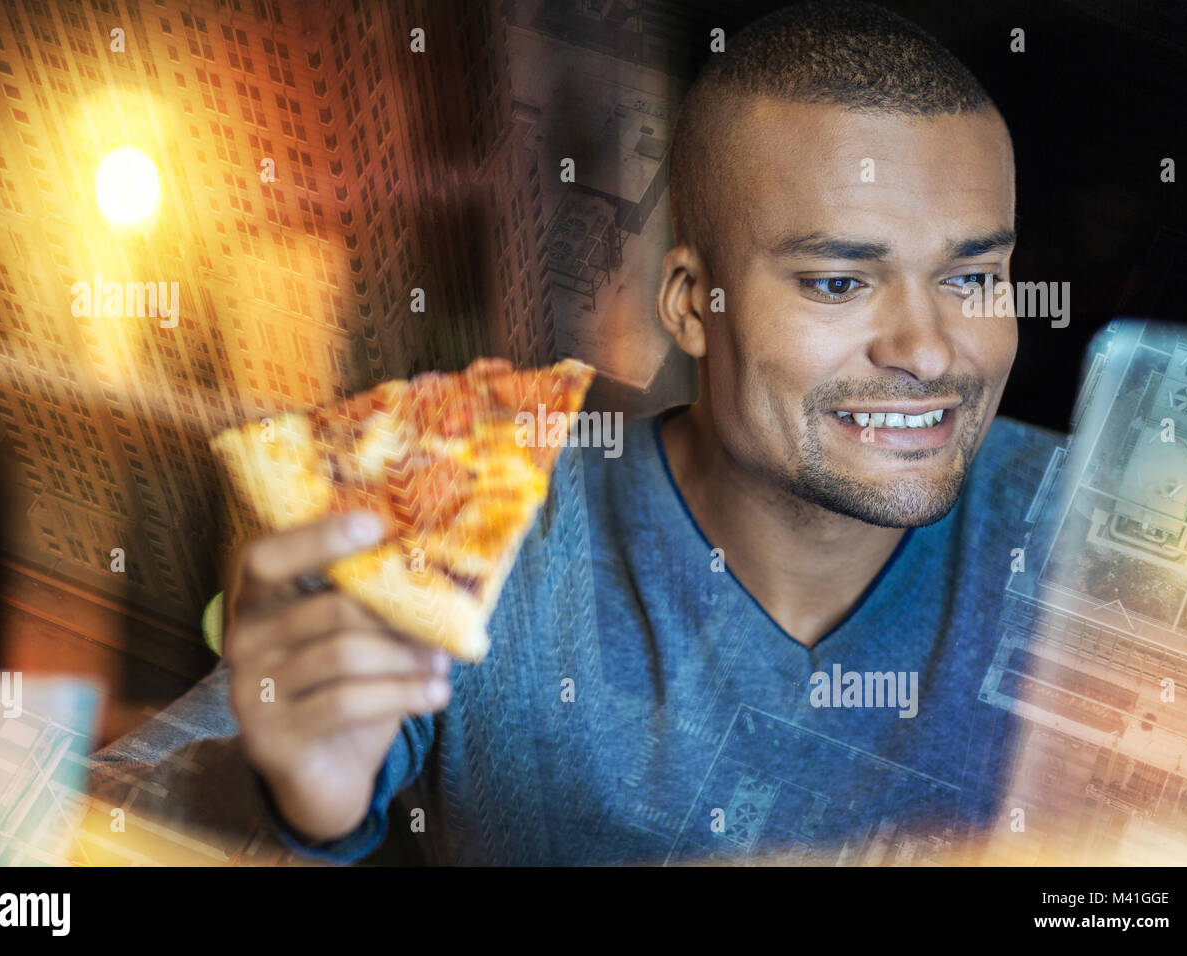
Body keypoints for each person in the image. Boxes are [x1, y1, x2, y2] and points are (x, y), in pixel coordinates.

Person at [89, 0, 1064, 865]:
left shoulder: (1098, 537)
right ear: (690, 304)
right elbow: (92, 827)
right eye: (839, 282)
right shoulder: (481, 515)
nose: (929, 352)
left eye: (972, 276)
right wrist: (284, 798)